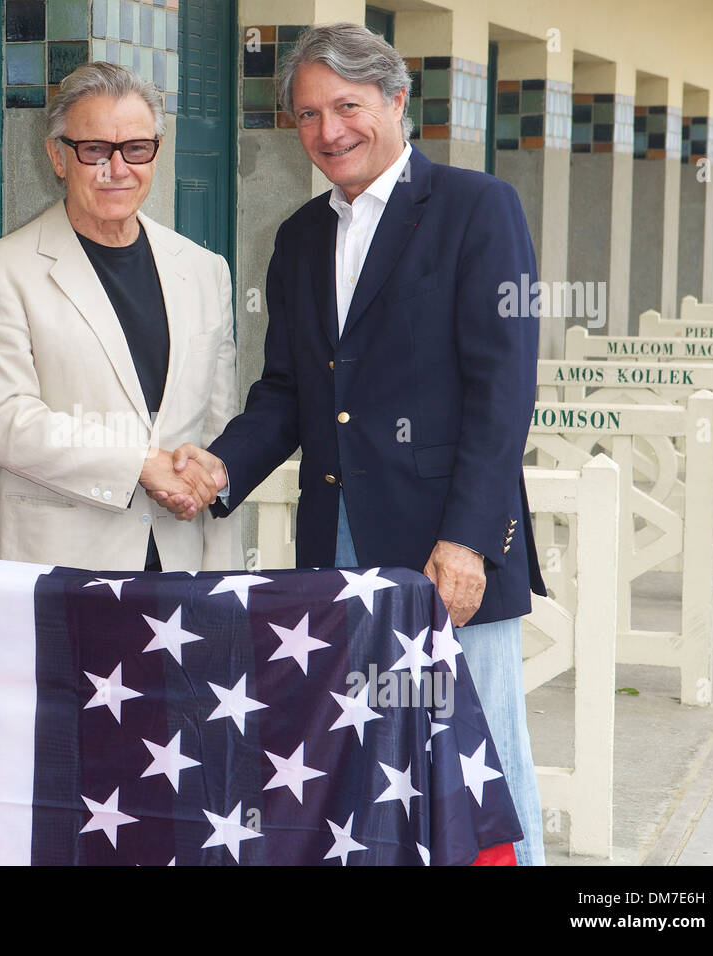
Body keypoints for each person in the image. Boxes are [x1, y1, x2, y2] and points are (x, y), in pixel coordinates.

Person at [154, 23, 549, 864]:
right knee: (366, 768)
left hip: (450, 549)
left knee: (483, 774)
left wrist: (470, 540)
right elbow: (290, 394)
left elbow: (504, 390)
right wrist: (221, 466)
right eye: (306, 115)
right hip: (333, 547)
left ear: (397, 101)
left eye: (347, 106)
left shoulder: (480, 208)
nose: (328, 131)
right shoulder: (296, 238)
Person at [0, 62, 242, 573]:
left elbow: (218, 431)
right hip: (59, 567)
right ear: (58, 157)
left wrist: (227, 576)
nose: (118, 168)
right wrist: (141, 466)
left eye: (136, 148)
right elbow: (6, 424)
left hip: (183, 563)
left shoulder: (204, 270)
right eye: (94, 151)